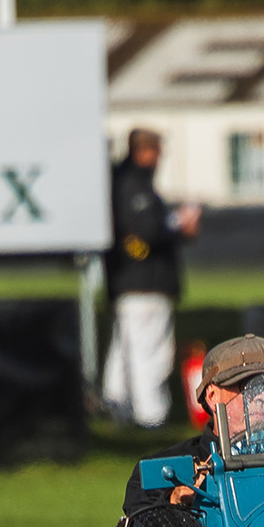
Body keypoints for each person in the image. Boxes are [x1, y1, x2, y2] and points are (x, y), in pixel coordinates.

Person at [99, 129, 201, 428]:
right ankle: (150, 416)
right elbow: (147, 231)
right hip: (143, 283)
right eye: (157, 151)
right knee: (150, 353)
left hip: (132, 283)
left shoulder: (122, 183)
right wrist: (179, 224)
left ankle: (118, 408)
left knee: (126, 348)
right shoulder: (134, 187)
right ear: (144, 151)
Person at [124, 334, 264, 513]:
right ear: (212, 396)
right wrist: (175, 500)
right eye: (248, 385)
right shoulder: (163, 471)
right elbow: (143, 525)